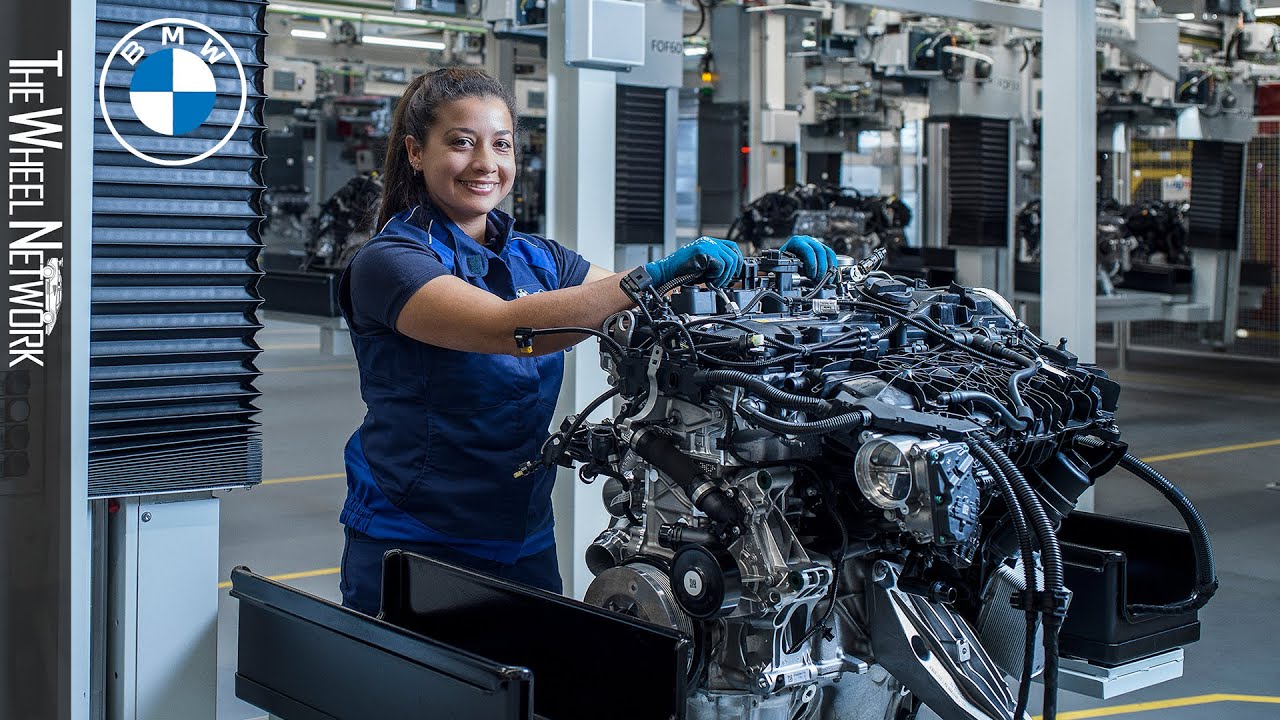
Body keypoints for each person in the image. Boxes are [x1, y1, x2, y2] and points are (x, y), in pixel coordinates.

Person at [336, 67, 835, 615]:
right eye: (461, 143)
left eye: (501, 145)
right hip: (414, 536)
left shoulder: (535, 256)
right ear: (415, 151)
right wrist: (655, 274)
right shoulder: (389, 262)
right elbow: (508, 328)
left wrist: (769, 276)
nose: (485, 163)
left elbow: (651, 308)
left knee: (529, 694)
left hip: (523, 533)